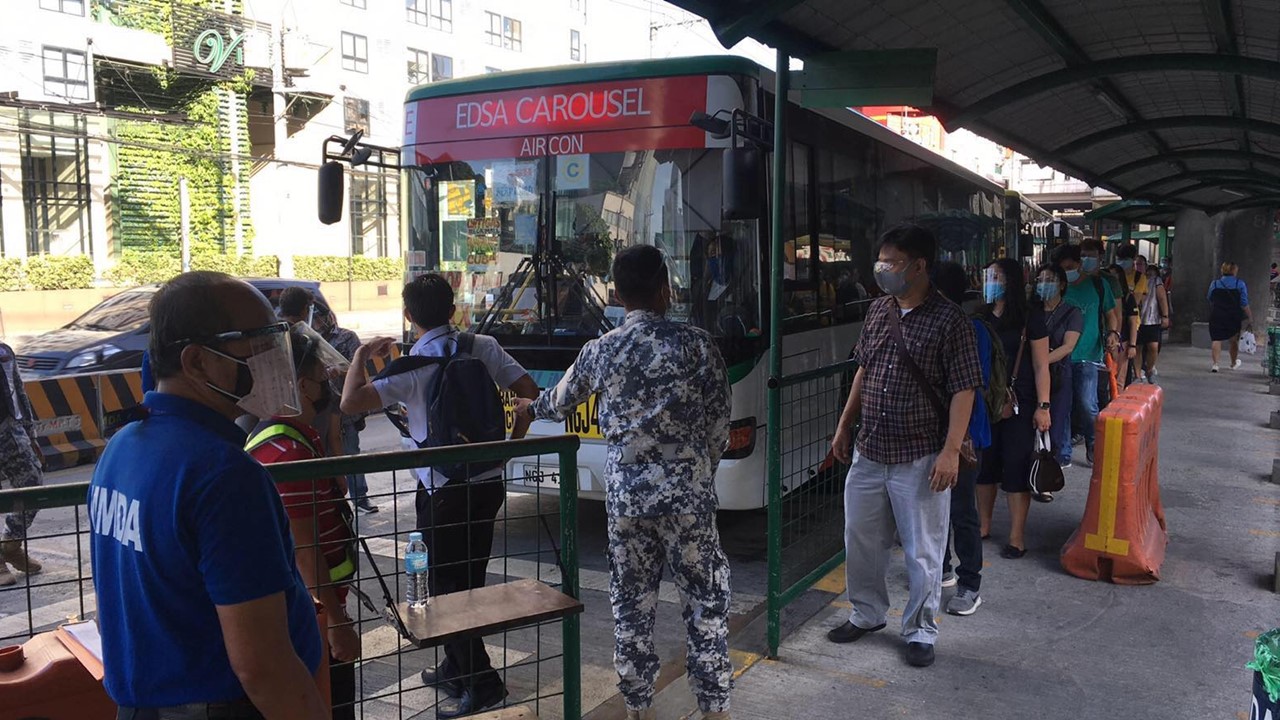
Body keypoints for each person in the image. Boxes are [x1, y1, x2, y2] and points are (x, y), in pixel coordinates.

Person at [89, 271, 326, 720]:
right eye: (256, 345)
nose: (272, 361)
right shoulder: (223, 475)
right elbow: (263, 667)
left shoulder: (124, 445)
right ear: (197, 361)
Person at [513, 245, 733, 720]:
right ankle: (716, 710)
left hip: (628, 500)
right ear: (664, 288)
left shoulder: (603, 349)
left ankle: (638, 708)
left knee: (632, 605)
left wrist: (528, 410)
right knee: (705, 603)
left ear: (616, 293)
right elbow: (720, 423)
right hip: (689, 498)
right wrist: (697, 471)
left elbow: (559, 401)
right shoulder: (697, 344)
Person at [339, 273, 539, 719]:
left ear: (408, 316)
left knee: (445, 591)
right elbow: (529, 393)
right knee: (468, 580)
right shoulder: (482, 346)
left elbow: (350, 405)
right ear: (453, 311)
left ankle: (482, 684)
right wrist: (510, 445)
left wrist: (358, 356)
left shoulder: (413, 365)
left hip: (442, 489)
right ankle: (454, 667)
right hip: (488, 484)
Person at [826, 225, 981, 669]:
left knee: (923, 549)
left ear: (919, 266)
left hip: (921, 455)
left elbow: (964, 390)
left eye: (891, 263)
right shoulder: (878, 311)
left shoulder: (951, 321)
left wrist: (951, 451)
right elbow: (863, 370)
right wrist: (843, 426)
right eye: (880, 261)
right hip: (870, 449)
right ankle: (868, 613)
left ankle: (919, 629)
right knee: (860, 538)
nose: (882, 270)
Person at [247, 325, 361, 720]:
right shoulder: (287, 453)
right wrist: (335, 624)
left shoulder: (289, 436)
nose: (327, 382)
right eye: (320, 376)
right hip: (309, 621)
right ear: (300, 386)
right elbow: (307, 553)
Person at [974, 259, 1051, 559]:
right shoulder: (980, 316)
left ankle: (1017, 537)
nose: (990, 281)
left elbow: (1041, 365)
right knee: (986, 467)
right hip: (986, 403)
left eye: (997, 276)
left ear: (1011, 282)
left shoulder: (1030, 317)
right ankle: (983, 525)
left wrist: (1044, 406)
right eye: (988, 275)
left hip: (1021, 403)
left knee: (1016, 469)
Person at [279, 287, 377, 514]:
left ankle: (357, 496)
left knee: (344, 449)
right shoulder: (300, 337)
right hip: (317, 409)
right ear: (306, 309)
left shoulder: (285, 334)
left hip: (330, 410)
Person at [931, 262, 990, 616]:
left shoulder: (970, 330)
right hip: (935, 435)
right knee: (934, 510)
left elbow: (965, 386)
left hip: (965, 437)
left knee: (961, 511)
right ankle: (942, 570)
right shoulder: (934, 324)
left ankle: (970, 584)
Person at [1055, 243, 1118, 468]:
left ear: (1079, 264)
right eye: (1063, 269)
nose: (1068, 272)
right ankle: (1063, 453)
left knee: (1086, 403)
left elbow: (1111, 315)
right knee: (1063, 406)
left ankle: (1093, 444)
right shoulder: (1058, 287)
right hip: (1061, 356)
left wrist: (1113, 333)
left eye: (1071, 267)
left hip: (1089, 354)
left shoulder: (1099, 286)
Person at [0, 341, 44, 586]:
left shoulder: (4, 351)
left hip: (10, 430)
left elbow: (18, 390)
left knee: (33, 485)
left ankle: (10, 545)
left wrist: (31, 433)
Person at [1033, 264, 1083, 469]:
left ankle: (1046, 472)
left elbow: (1068, 346)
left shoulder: (1072, 313)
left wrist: (1040, 362)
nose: (1043, 284)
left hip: (1058, 376)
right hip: (1032, 375)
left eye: (1049, 280)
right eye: (1040, 280)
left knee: (1054, 424)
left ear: (1062, 285)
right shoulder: (1032, 311)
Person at [1207, 262, 1253, 372]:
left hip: (1217, 314)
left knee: (1216, 339)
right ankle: (1233, 363)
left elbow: (1209, 298)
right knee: (1233, 340)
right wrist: (1250, 316)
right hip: (1233, 315)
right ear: (1234, 271)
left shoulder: (1215, 284)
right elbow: (1244, 302)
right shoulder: (1239, 284)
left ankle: (1215, 364)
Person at [1111, 244, 1143, 386]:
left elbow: (1132, 321)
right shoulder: (1101, 296)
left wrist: (1132, 345)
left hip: (1122, 342)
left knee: (1119, 379)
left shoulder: (1128, 298)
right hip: (1105, 343)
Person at [1135, 256, 1170, 383]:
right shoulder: (1132, 279)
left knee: (1153, 346)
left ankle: (1149, 369)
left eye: (1140, 264)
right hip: (1136, 320)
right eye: (1136, 264)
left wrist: (1165, 316)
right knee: (1137, 347)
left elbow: (1162, 298)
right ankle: (1138, 374)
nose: (1138, 266)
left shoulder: (1155, 281)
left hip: (1152, 319)